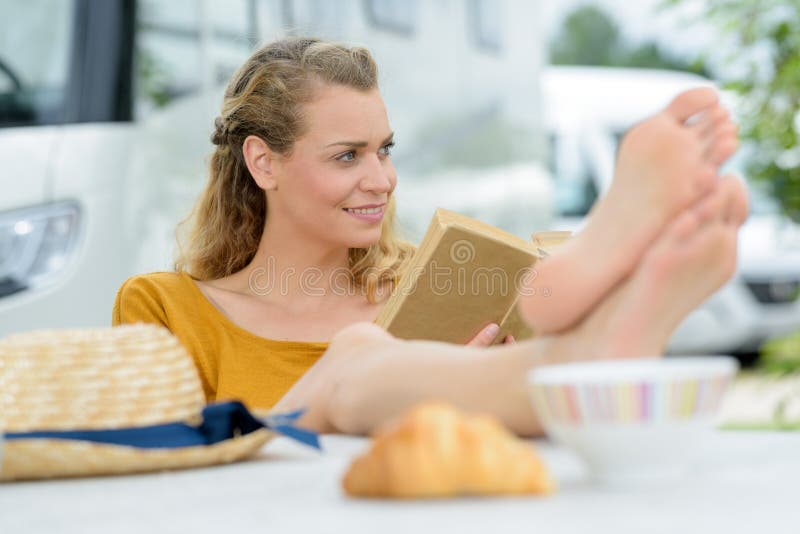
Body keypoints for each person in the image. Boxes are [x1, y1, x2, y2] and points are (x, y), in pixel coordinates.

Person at [114, 37, 746, 435]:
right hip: (260, 502)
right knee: (358, 354)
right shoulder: (164, 308)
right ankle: (582, 349)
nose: (382, 179)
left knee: (508, 317)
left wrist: (459, 390)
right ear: (263, 163)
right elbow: (149, 486)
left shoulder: (433, 282)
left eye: (385, 150)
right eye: (347, 156)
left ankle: (586, 331)